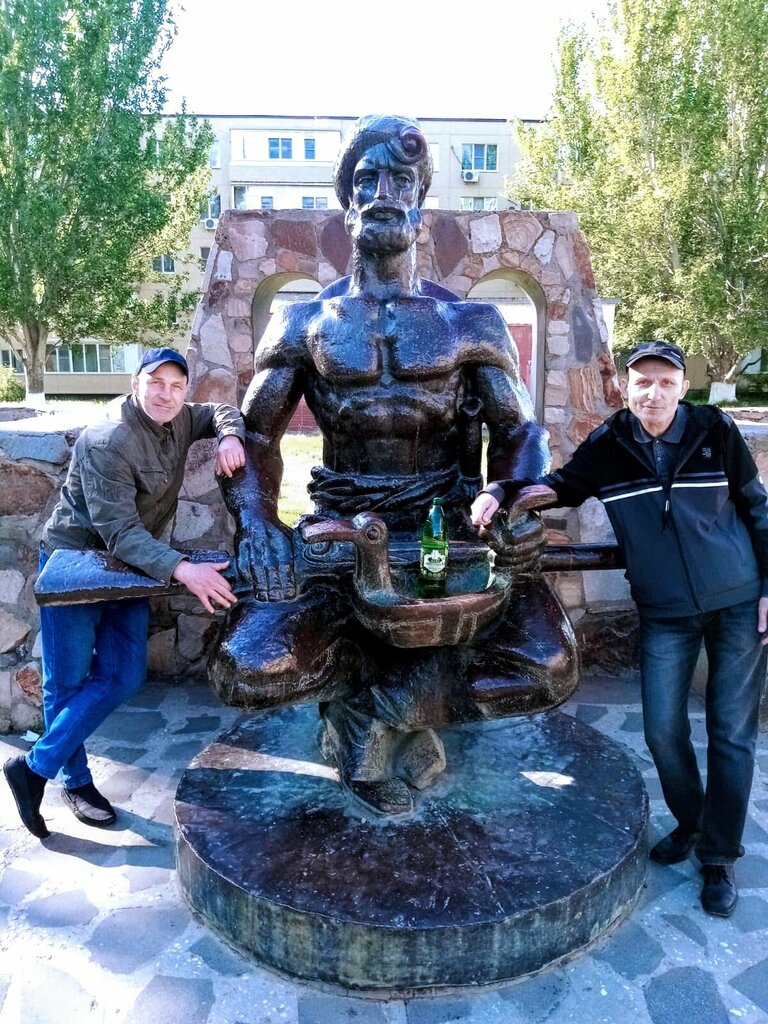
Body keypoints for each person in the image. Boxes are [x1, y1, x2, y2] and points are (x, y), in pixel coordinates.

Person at [211, 114, 578, 815]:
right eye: (366, 180)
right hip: (341, 536)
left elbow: (520, 430)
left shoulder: (471, 324)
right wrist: (258, 524)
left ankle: (381, 712)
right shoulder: (302, 324)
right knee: (246, 670)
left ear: (419, 203)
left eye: (399, 181)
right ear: (347, 206)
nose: (382, 193)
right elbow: (255, 438)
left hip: (446, 534)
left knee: (550, 667)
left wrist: (513, 498)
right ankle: (400, 695)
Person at [471, 340, 768, 917]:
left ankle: (718, 856)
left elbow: (757, 507)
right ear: (626, 388)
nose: (653, 393)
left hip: (736, 601)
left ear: (683, 387)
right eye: (642, 382)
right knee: (661, 730)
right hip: (665, 612)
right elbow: (558, 485)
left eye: (665, 382)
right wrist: (498, 491)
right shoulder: (612, 443)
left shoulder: (714, 430)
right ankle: (693, 822)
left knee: (731, 734)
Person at [3, 347, 246, 839]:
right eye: (156, 383)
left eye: (177, 386)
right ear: (136, 383)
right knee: (65, 683)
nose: (167, 395)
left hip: (129, 569)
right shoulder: (108, 439)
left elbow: (220, 409)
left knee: (124, 674)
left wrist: (229, 436)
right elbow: (121, 533)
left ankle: (33, 767)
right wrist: (184, 570)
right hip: (77, 566)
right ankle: (75, 781)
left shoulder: (180, 415)